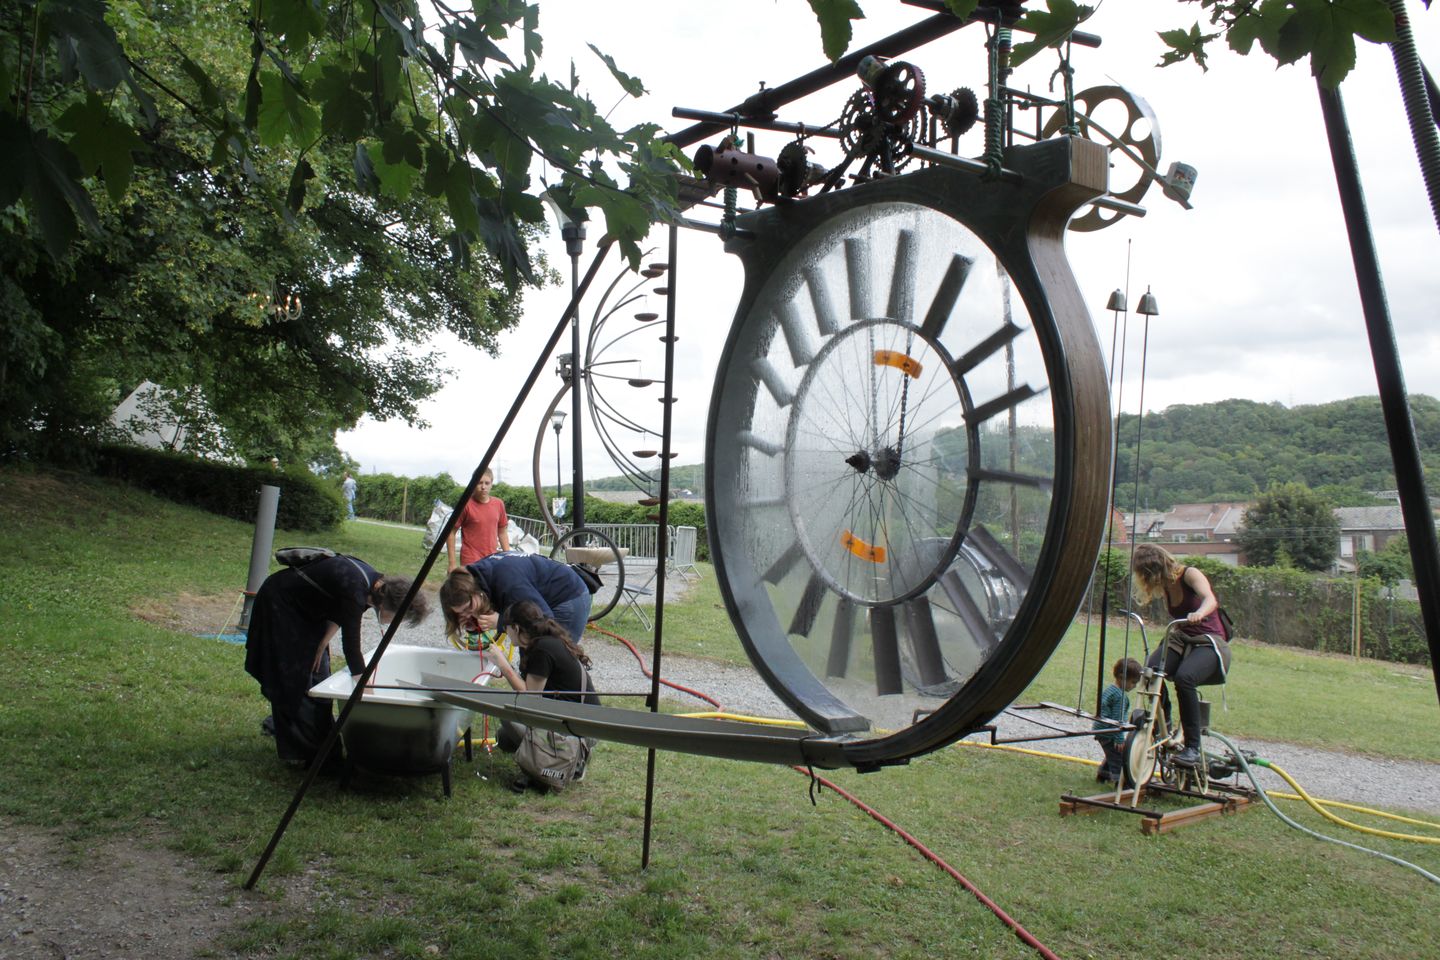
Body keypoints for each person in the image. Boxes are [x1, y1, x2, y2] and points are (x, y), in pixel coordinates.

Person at [243, 554, 428, 769]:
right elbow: (351, 646)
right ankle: (304, 750)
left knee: (317, 672)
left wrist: (322, 642)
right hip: (280, 603)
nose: (394, 621)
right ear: (388, 603)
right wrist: (365, 691)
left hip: (306, 610)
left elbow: (339, 612)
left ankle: (317, 745)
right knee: (295, 676)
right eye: (398, 616)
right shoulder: (356, 586)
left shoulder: (374, 586)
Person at [1130, 544, 1233, 768]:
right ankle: (1163, 720)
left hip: (1209, 641)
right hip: (1181, 639)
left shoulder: (1190, 574)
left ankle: (1192, 748)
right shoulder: (1166, 586)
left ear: (1156, 570)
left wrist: (1199, 613)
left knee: (1185, 678)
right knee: (1149, 671)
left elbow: (1210, 599)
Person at [481, 600, 601, 793]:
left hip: (580, 728)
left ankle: (561, 764)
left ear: (516, 628)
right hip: (579, 719)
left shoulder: (542, 649)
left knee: (508, 717)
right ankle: (552, 759)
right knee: (504, 739)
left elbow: (531, 697)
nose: (505, 632)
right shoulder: (546, 641)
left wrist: (502, 663)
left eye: (507, 628)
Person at [439, 553, 592, 650]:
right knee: (528, 647)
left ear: (476, 592)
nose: (469, 614)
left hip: (569, 596)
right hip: (545, 595)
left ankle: (560, 696)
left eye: (469, 607)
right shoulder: (477, 576)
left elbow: (542, 620)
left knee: (551, 651)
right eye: (461, 613)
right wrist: (471, 624)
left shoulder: (507, 581)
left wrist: (501, 622)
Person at [446, 467, 509, 570]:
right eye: (480, 483)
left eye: (487, 483)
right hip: (470, 561)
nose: (483, 487)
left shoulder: (498, 504)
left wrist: (509, 557)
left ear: (491, 484)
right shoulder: (465, 505)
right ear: (474, 483)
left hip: (492, 560)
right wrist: (452, 563)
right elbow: (450, 532)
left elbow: (502, 532)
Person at [1093, 657, 1143, 783]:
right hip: (1109, 732)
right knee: (1119, 758)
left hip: (1100, 730)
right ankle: (1121, 782)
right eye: (1133, 682)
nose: (1134, 686)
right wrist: (1119, 739)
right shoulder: (1120, 697)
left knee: (1111, 754)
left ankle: (1103, 774)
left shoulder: (1110, 689)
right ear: (1122, 677)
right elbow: (1117, 720)